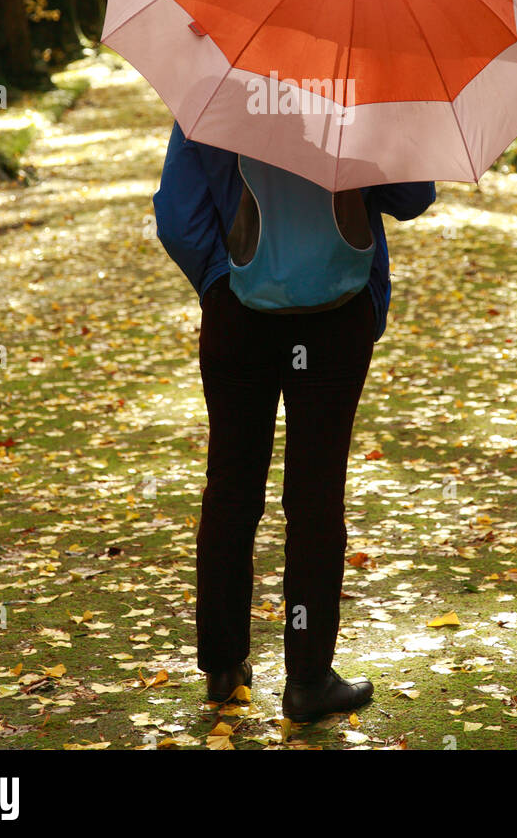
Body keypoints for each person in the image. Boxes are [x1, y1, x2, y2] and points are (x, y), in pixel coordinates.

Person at [154, 120, 436, 723]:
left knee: (231, 488)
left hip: (239, 314)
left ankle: (224, 667)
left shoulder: (217, 83)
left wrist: (221, 284)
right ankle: (308, 680)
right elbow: (413, 198)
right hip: (335, 317)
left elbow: (176, 216)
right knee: (314, 497)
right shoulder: (362, 88)